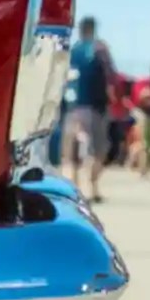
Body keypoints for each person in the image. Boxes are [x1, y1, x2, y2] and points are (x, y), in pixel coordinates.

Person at [60, 16, 117, 202]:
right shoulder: (100, 49)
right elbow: (111, 76)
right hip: (94, 106)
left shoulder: (71, 49)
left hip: (71, 107)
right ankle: (91, 189)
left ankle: (71, 190)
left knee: (70, 153)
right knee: (97, 149)